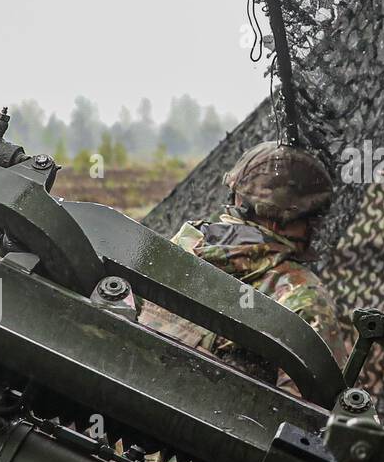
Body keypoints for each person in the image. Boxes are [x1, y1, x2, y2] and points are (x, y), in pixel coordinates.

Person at [142, 140, 351, 393]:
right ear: (279, 222)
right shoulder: (302, 297)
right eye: (310, 219)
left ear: (237, 197)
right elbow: (317, 416)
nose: (314, 229)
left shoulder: (170, 251)